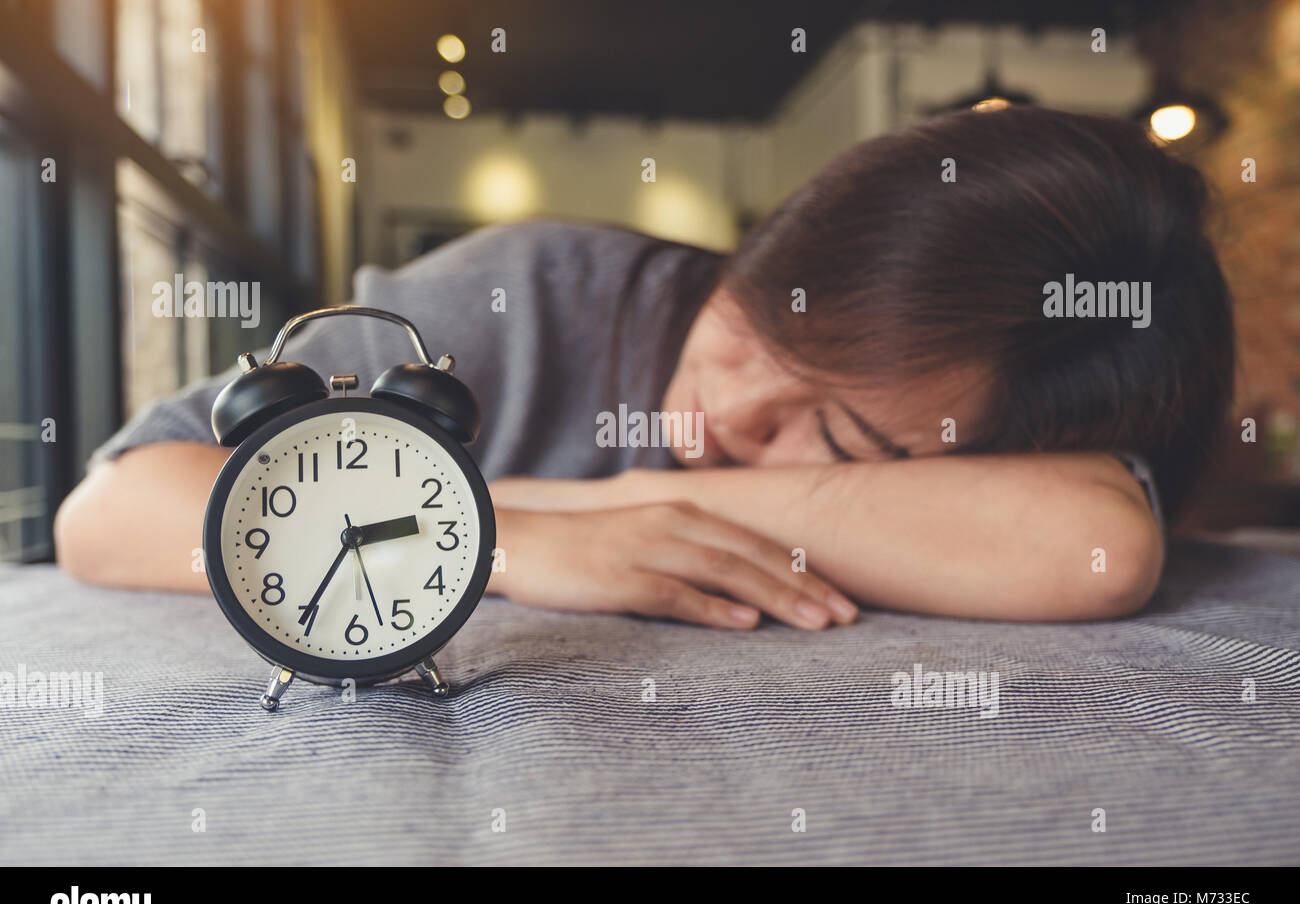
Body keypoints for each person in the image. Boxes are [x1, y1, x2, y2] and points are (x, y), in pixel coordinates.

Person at [54, 106, 1234, 629]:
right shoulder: (530, 299)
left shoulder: (1042, 443)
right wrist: (501, 545)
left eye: (839, 442)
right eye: (751, 325)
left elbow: (1103, 542)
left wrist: (624, 503)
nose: (724, 415)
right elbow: (110, 509)